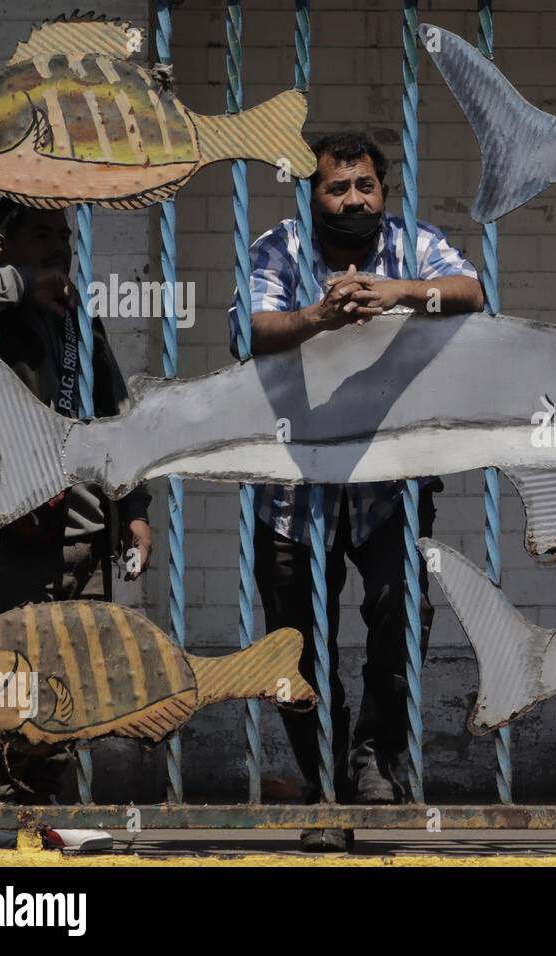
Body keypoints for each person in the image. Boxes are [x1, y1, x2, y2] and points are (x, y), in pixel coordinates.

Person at [231, 130, 484, 852]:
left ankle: (373, 762)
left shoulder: (413, 244)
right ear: (313, 194)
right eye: (337, 189)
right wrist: (319, 317)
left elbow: (471, 290)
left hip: (388, 484)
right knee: (297, 652)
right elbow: (247, 327)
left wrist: (398, 293)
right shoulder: (278, 248)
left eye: (364, 187)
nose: (352, 200)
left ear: (383, 190)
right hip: (292, 489)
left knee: (400, 622)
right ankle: (324, 789)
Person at [0, 199, 154, 852]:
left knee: (73, 676)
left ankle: (23, 805)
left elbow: (117, 409)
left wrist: (135, 511)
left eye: (64, 236)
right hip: (21, 527)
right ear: (4, 241)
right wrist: (23, 284)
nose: (59, 248)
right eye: (42, 235)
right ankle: (3, 806)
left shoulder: (78, 314)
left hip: (84, 527)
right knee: (25, 670)